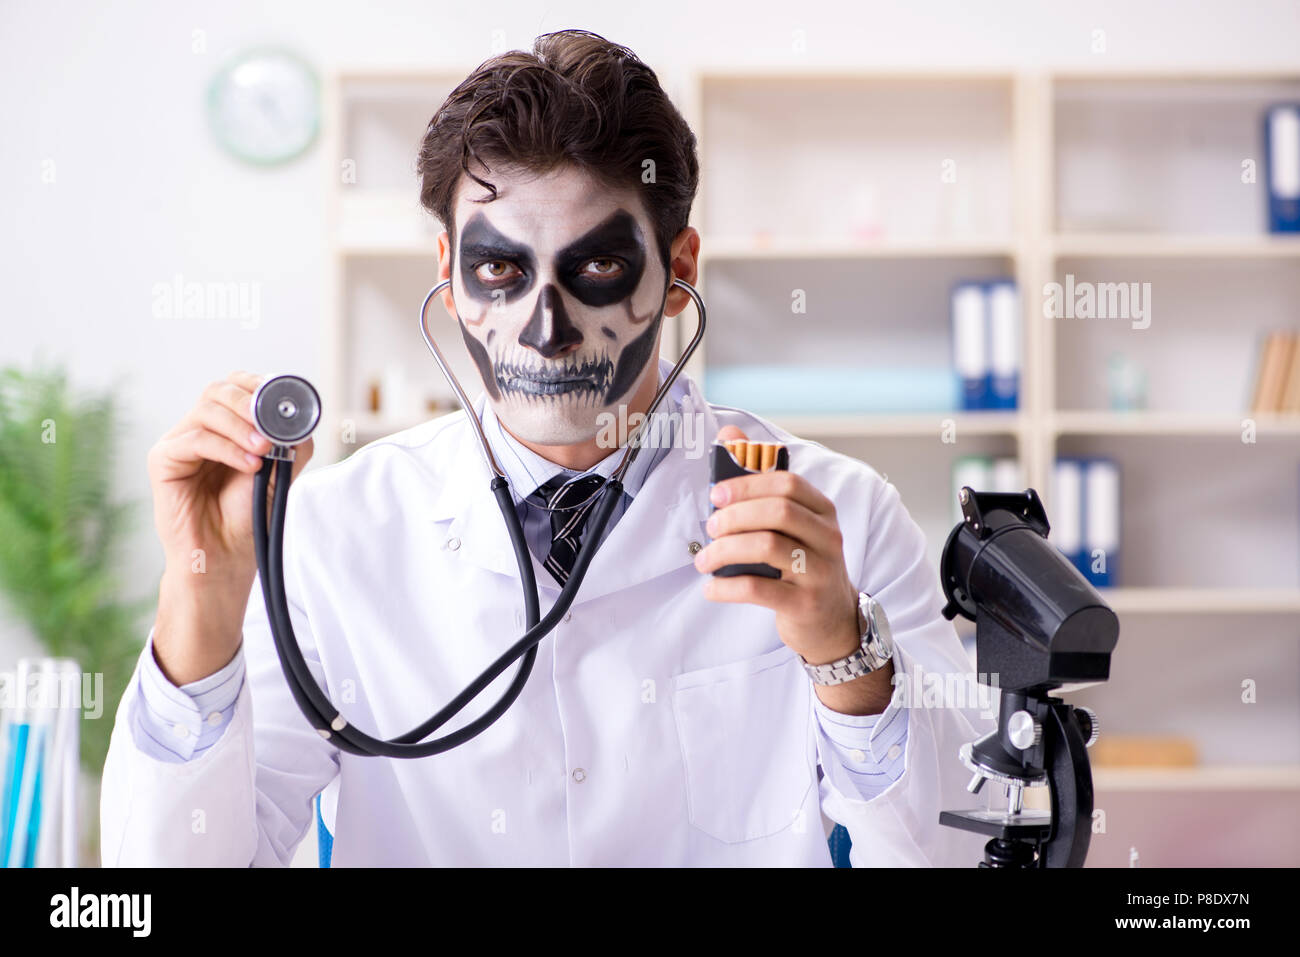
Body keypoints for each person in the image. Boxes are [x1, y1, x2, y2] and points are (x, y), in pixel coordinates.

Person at [101, 29, 994, 866]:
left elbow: (955, 848)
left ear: (679, 271)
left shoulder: (840, 515)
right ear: (450, 278)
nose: (547, 329)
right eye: (501, 270)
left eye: (597, 267)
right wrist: (203, 600)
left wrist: (846, 650)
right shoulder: (335, 533)